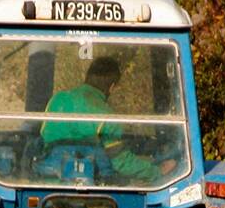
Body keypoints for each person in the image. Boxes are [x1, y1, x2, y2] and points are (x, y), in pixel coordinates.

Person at [40, 56, 176, 183]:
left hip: (50, 181)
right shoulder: (106, 116)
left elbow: (44, 138)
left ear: (86, 77)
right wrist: (156, 171)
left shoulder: (56, 100)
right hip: (92, 187)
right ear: (112, 87)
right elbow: (121, 163)